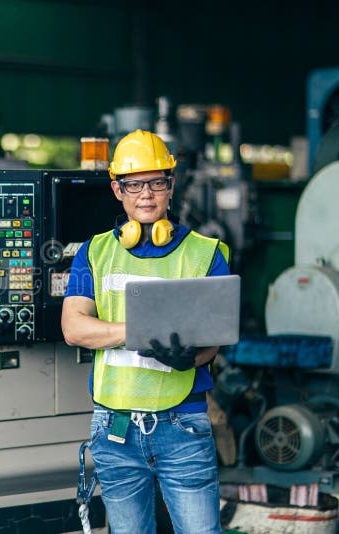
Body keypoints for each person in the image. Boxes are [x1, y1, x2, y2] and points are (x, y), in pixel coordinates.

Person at [61, 129, 230, 533]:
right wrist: (142, 329)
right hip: (115, 427)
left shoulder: (206, 253)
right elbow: (73, 327)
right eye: (134, 185)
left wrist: (192, 356)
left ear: (171, 186)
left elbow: (214, 339)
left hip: (183, 424)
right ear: (117, 190)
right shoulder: (94, 252)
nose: (146, 195)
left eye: (156, 182)